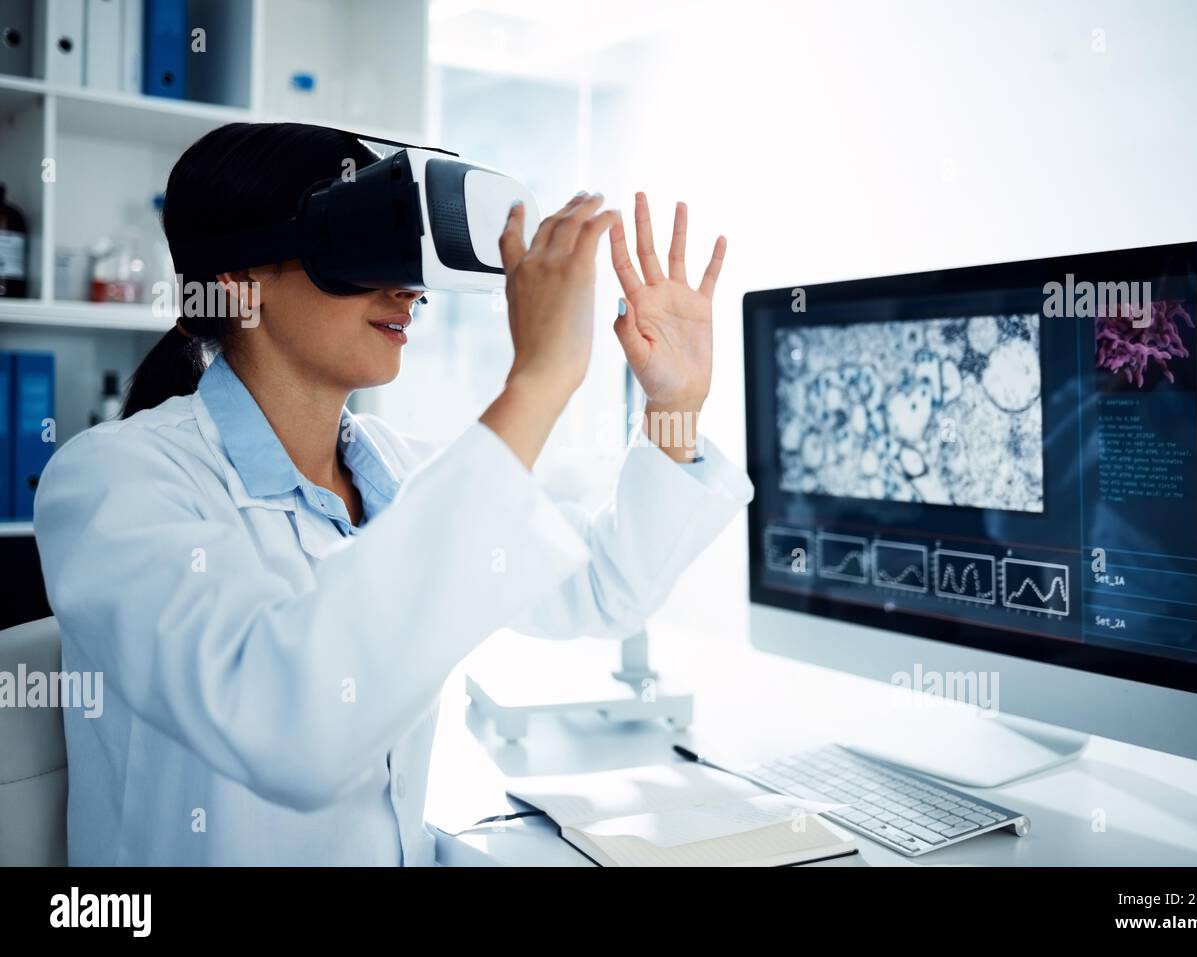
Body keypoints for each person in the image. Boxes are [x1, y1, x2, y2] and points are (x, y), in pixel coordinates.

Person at [32, 123, 754, 865]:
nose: (405, 287)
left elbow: (604, 588)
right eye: (361, 247)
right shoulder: (115, 482)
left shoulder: (397, 473)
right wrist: (537, 378)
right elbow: (288, 723)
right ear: (238, 281)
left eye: (405, 255)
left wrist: (674, 401)